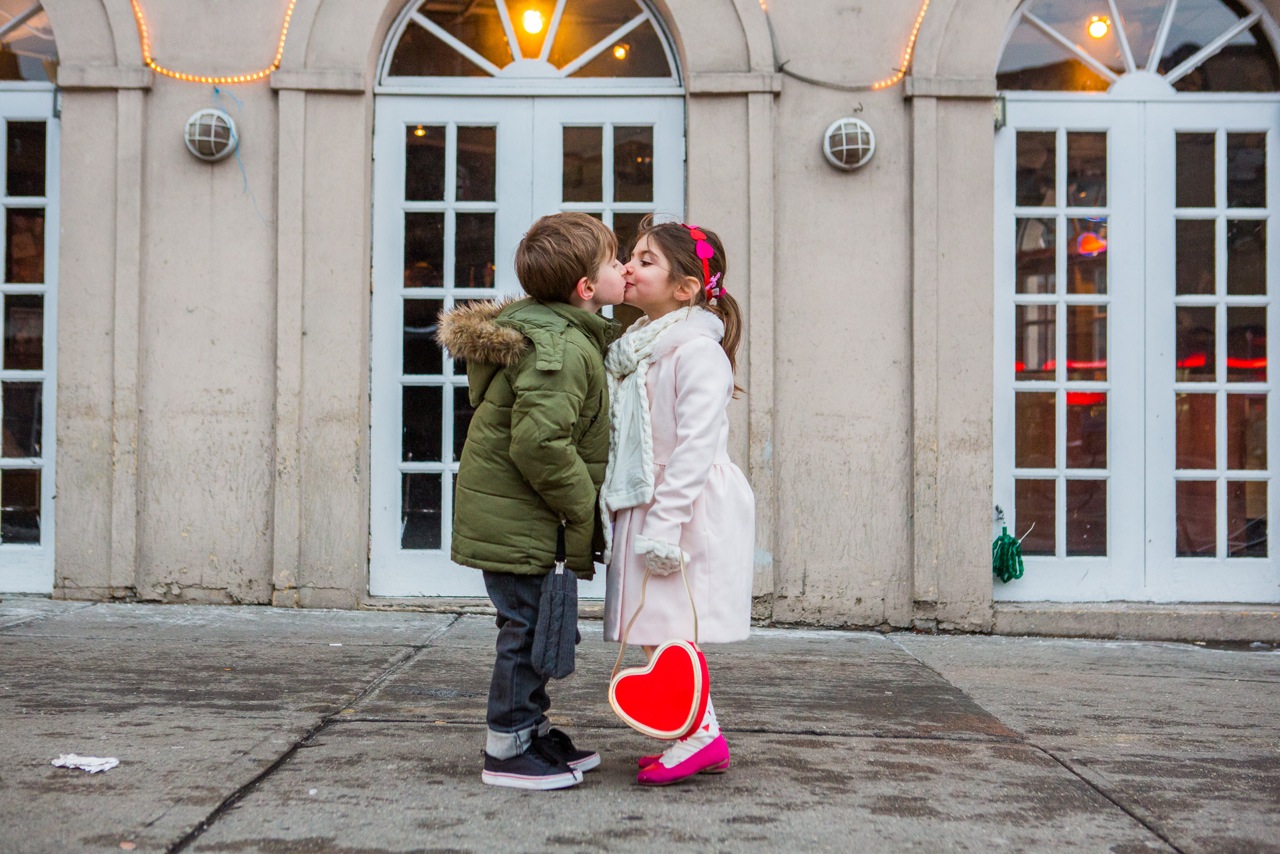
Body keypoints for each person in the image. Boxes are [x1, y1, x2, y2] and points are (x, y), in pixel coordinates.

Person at [437, 212, 625, 790]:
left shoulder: (565, 332)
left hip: (522, 516)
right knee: (524, 630)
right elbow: (539, 442)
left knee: (534, 623)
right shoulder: (561, 350)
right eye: (615, 261)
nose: (625, 268)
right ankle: (508, 748)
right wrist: (582, 506)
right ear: (587, 289)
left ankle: (530, 728)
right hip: (524, 519)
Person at [602, 218, 755, 786]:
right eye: (629, 257)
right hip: (652, 496)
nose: (628, 268)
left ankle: (699, 737)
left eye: (645, 261)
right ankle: (696, 731)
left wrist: (662, 526)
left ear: (685, 287)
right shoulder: (643, 347)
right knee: (656, 624)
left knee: (671, 626)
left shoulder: (696, 353)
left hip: (683, 507)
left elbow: (694, 447)